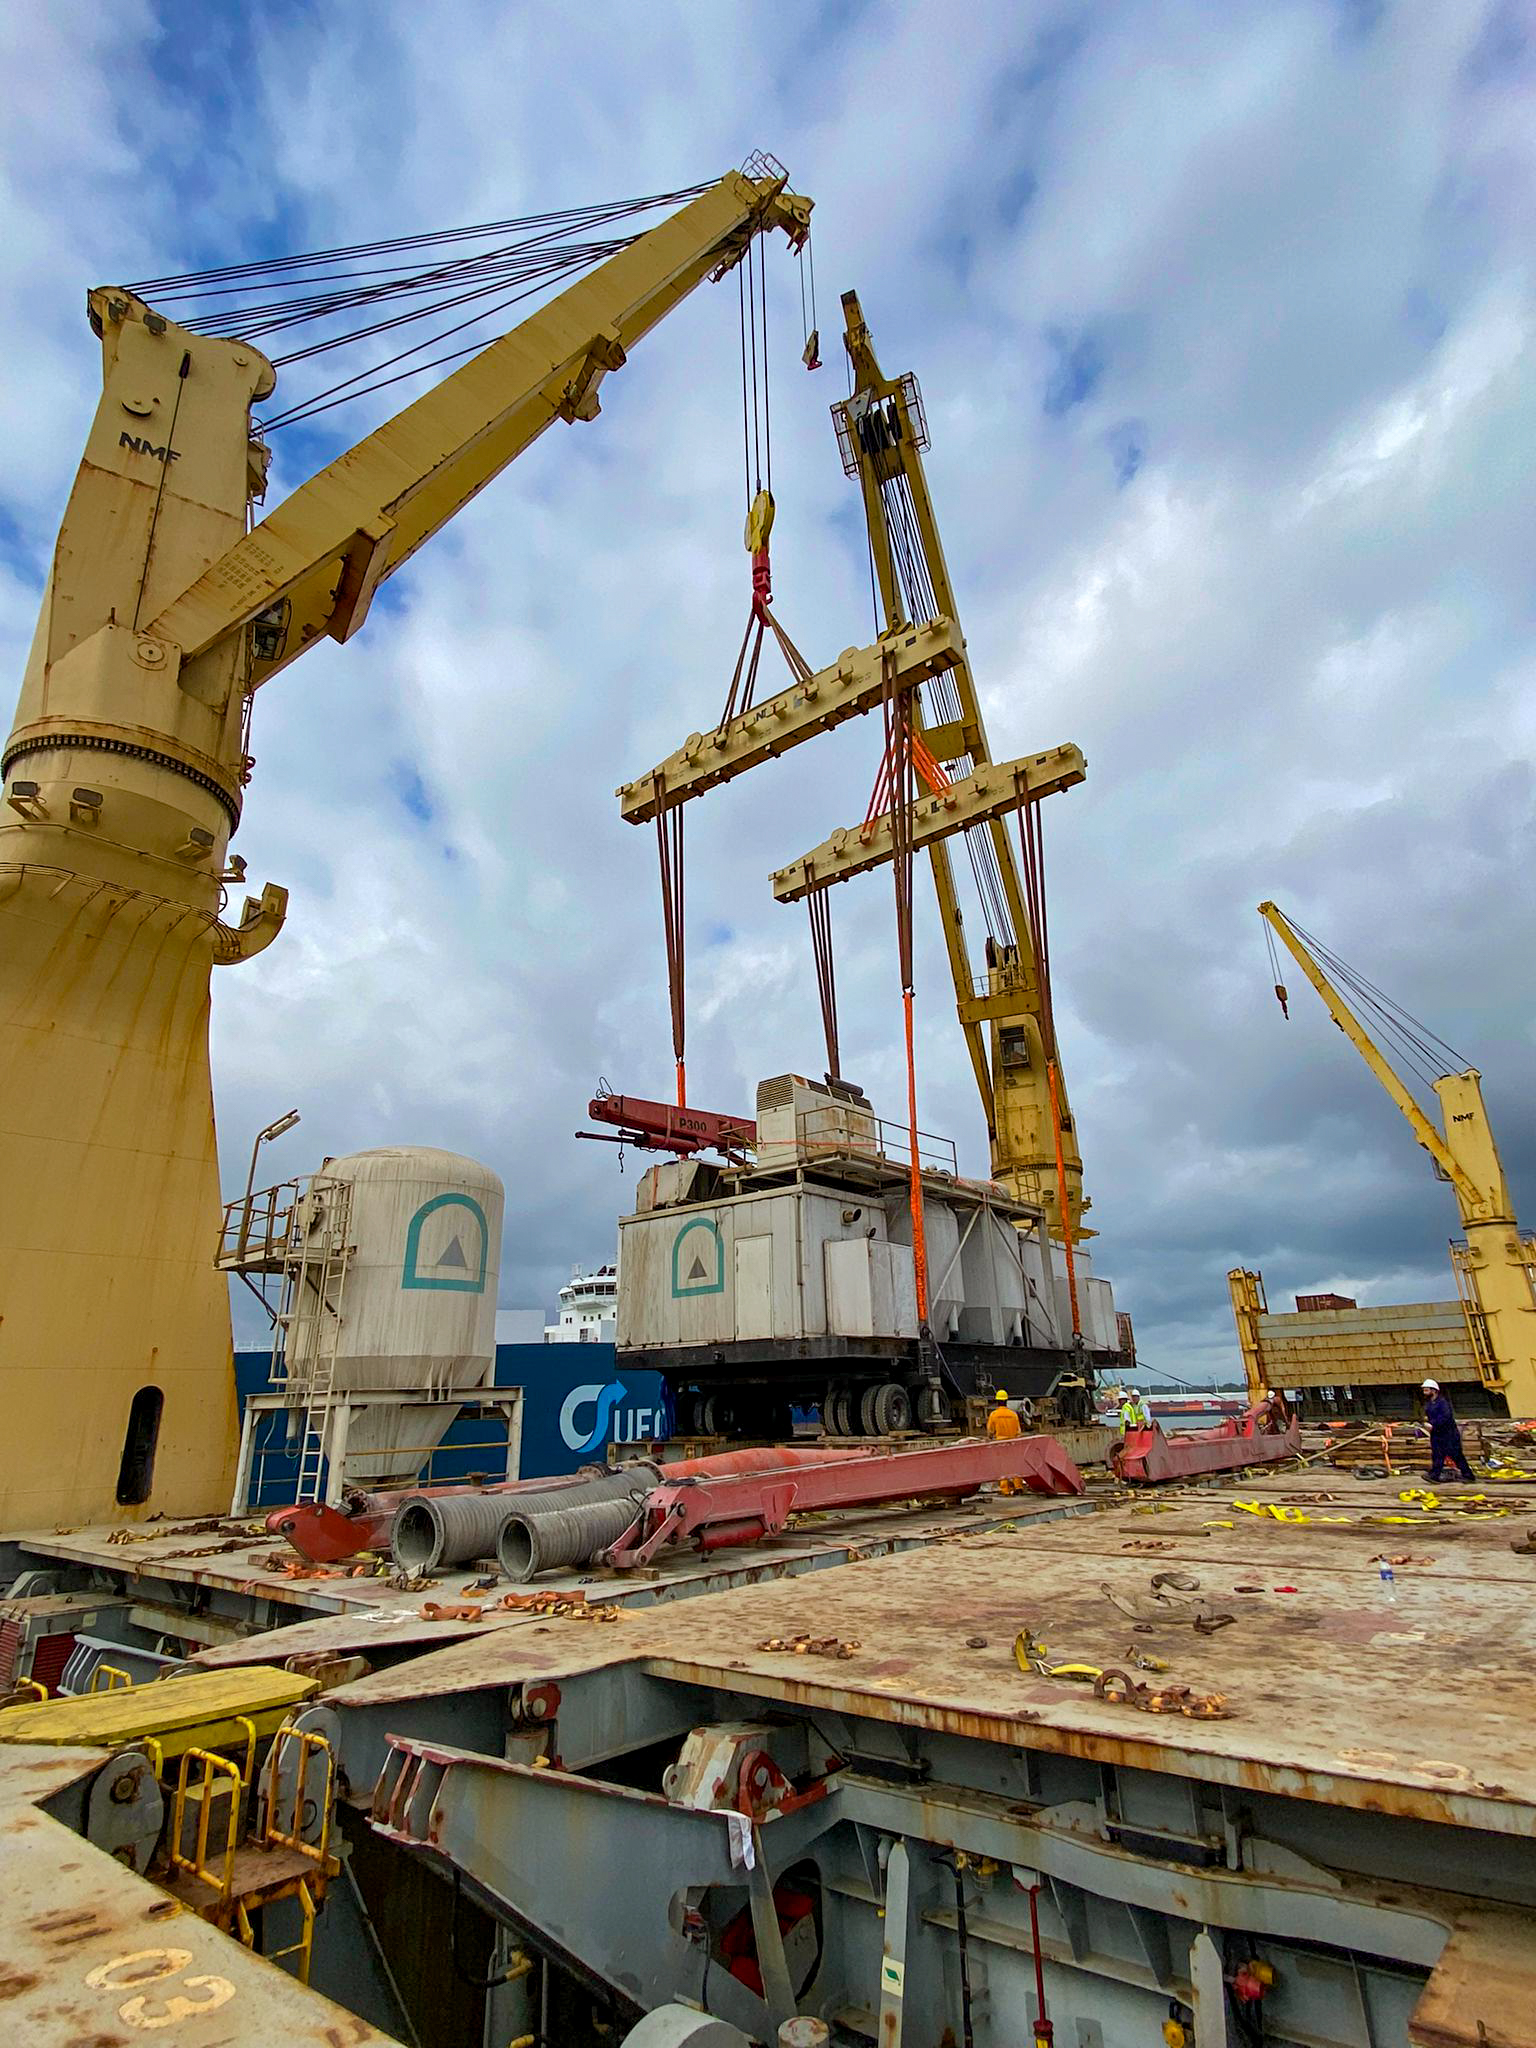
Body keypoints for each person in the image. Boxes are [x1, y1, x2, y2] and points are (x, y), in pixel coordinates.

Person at [1422, 1378, 1475, 1482]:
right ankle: (1434, 1475)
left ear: (1434, 1390)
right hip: (1437, 1434)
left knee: (1456, 1454)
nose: (1424, 1392)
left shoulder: (1442, 1403)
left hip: (1448, 1433)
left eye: (1426, 1390)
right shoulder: (1429, 1403)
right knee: (1437, 1454)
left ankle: (1468, 1475)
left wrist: (1433, 1424)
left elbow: (1446, 1417)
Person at [988, 1388, 1024, 1494]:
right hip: (1013, 1443)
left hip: (1000, 1443)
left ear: (997, 1401)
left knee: (1002, 1466)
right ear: (1006, 1401)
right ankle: (1018, 1487)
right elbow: (1018, 1431)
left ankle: (1005, 1490)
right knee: (1015, 1465)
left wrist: (991, 1437)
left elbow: (990, 1431)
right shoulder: (1013, 1414)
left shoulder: (994, 1415)